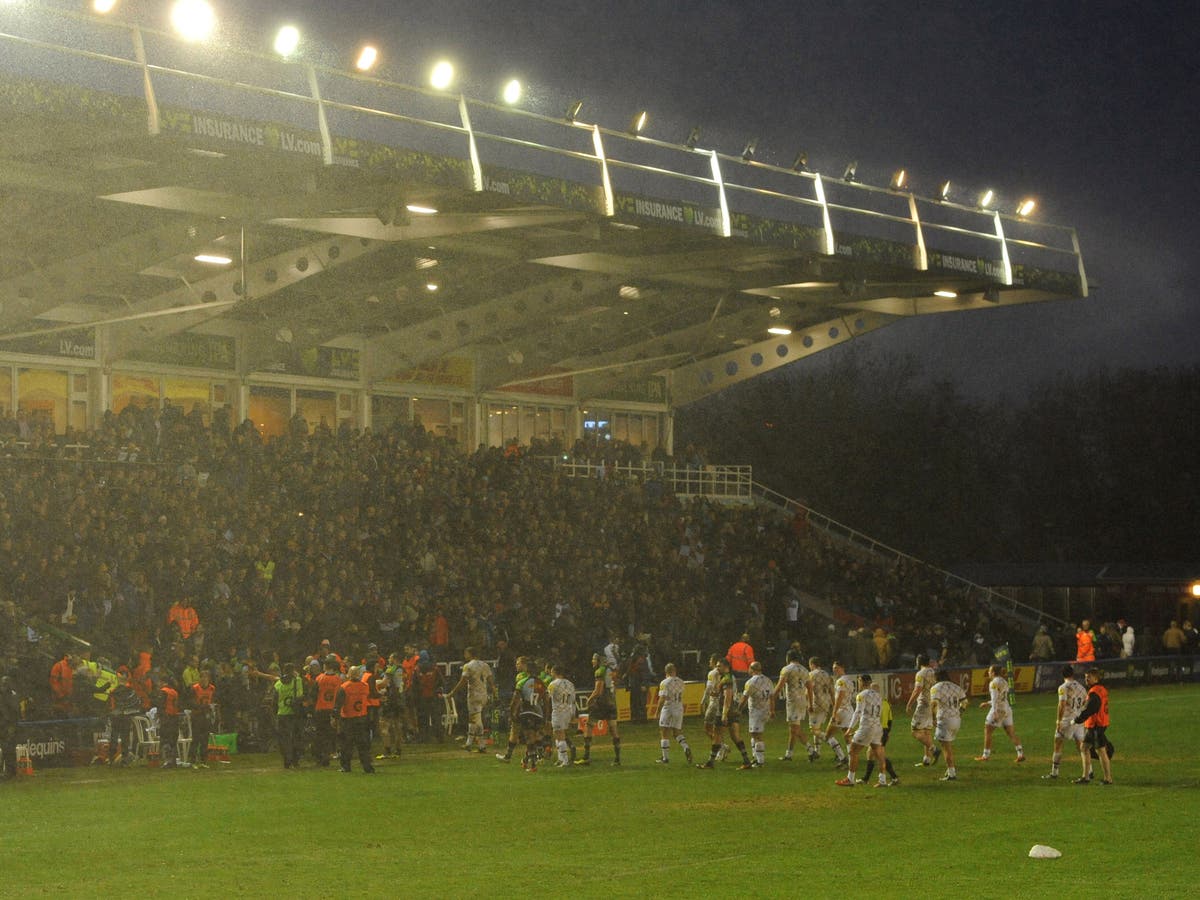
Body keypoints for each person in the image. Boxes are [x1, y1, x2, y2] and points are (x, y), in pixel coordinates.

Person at [698, 657, 751, 769]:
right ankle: (746, 761)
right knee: (735, 736)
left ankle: (710, 762)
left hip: (725, 710)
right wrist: (716, 693)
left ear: (726, 667)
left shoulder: (726, 679)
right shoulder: (727, 677)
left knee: (717, 735)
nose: (717, 668)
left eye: (719, 666)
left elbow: (728, 696)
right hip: (732, 710)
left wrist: (724, 714)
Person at [836, 674, 887, 787]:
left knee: (853, 751)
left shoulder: (861, 695)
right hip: (877, 726)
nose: (858, 683)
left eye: (859, 681)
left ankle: (850, 779)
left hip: (866, 727)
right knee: (879, 753)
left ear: (862, 682)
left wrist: (849, 729)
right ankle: (882, 780)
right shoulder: (878, 695)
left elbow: (858, 712)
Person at [446, 646, 495, 753]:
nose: (465, 655)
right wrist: (494, 691)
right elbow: (491, 679)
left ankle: (481, 745)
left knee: (476, 719)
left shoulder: (468, 666)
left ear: (470, 654)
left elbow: (462, 681)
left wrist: (452, 692)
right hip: (483, 694)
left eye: (466, 653)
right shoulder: (485, 665)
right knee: (474, 719)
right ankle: (469, 743)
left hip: (474, 695)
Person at [1043, 665, 1088, 780]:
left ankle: (1054, 772)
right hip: (1079, 719)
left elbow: (1062, 704)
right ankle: (1090, 771)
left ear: (1062, 675)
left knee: (1058, 744)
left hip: (1067, 720)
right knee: (1082, 746)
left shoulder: (1063, 687)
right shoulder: (1082, 688)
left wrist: (1058, 720)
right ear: (1073, 674)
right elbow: (1085, 703)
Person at [576, 652, 621, 766]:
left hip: (601, 703)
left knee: (589, 725)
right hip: (611, 702)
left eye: (594, 659)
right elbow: (615, 686)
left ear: (599, 661)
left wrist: (589, 699)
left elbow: (598, 690)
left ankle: (586, 756)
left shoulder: (599, 671)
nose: (592, 661)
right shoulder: (611, 670)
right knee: (613, 729)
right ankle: (617, 759)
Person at [974, 664, 1025, 763]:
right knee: (1011, 733)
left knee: (987, 730)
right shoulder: (1004, 681)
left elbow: (995, 699)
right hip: (1007, 709)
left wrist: (995, 712)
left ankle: (985, 755)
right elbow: (1001, 697)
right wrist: (987, 703)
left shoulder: (993, 683)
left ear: (993, 672)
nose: (988, 673)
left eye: (989, 671)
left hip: (999, 710)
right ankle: (1020, 754)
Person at [771, 650, 815, 762]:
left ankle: (811, 750)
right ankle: (789, 754)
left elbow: (780, 685)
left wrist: (773, 697)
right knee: (793, 729)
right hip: (802, 700)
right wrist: (810, 703)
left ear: (788, 658)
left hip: (793, 701)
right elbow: (810, 687)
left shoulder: (787, 669)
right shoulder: (805, 670)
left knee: (794, 728)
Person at [1074, 669, 1113, 785]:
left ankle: (1108, 779)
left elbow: (1091, 708)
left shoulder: (1094, 692)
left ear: (1096, 678)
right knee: (1084, 748)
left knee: (1100, 750)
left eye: (1089, 677)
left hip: (1096, 725)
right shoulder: (1101, 690)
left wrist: (1079, 719)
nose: (1086, 679)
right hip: (1098, 724)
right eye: (1086, 677)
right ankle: (1085, 777)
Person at [333, 665, 375, 774]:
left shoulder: (344, 687)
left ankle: (346, 766)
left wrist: (335, 719)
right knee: (363, 745)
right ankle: (367, 767)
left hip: (348, 719)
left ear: (348, 675)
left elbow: (338, 705)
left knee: (346, 745)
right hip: (362, 718)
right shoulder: (365, 686)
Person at [929, 669, 967, 781]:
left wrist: (932, 718)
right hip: (956, 719)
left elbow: (934, 703)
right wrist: (960, 712)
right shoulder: (956, 687)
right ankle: (949, 770)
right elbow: (964, 702)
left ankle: (951, 773)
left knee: (946, 748)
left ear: (936, 677)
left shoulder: (936, 688)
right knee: (947, 745)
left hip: (945, 720)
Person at [651, 663, 692, 765]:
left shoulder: (665, 683)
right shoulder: (681, 682)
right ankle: (686, 747)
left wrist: (657, 712)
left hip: (668, 708)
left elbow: (662, 698)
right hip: (679, 707)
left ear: (666, 672)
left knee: (664, 732)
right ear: (675, 671)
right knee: (677, 732)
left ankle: (665, 758)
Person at [905, 653, 940, 768]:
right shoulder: (933, 671)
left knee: (915, 731)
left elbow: (917, 689)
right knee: (926, 731)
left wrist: (909, 704)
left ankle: (934, 749)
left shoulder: (920, 673)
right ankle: (927, 759)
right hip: (933, 703)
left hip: (924, 704)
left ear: (918, 662)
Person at [737, 661, 773, 768]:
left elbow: (744, 698)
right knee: (753, 734)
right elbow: (772, 696)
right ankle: (755, 757)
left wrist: (738, 710)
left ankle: (760, 761)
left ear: (752, 669)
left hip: (756, 711)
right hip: (765, 710)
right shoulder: (768, 680)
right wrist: (772, 710)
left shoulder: (751, 682)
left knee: (757, 735)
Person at [697, 653, 729, 766]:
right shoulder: (724, 674)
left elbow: (708, 689)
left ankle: (721, 747)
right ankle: (721, 747)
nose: (709, 662)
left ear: (715, 662)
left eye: (710, 660)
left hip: (714, 703)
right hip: (720, 703)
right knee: (717, 729)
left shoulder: (712, 673)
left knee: (707, 727)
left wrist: (702, 702)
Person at [822, 661, 854, 766]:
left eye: (836, 668)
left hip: (841, 711)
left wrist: (834, 713)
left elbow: (840, 697)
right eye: (833, 668)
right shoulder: (848, 680)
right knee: (847, 737)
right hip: (849, 710)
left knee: (827, 735)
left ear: (842, 667)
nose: (834, 670)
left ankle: (842, 757)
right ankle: (851, 761)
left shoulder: (840, 681)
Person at [547, 664, 577, 767]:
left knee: (559, 735)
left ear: (555, 672)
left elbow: (548, 698)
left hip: (558, 711)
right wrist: (573, 714)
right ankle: (560, 758)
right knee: (559, 734)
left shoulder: (552, 684)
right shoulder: (570, 684)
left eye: (551, 672)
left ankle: (565, 760)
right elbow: (573, 700)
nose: (550, 673)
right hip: (567, 711)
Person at [807, 657, 835, 763]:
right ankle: (817, 752)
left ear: (812, 664)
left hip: (816, 704)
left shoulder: (811, 675)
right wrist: (834, 705)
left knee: (814, 730)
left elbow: (808, 690)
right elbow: (832, 691)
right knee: (817, 728)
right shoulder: (827, 675)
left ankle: (835, 745)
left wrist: (809, 704)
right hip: (826, 704)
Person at [189, 668, 217, 768]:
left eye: (206, 677)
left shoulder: (212, 689)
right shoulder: (195, 688)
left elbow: (213, 700)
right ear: (200, 678)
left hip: (207, 716)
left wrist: (212, 709)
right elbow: (191, 702)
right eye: (203, 677)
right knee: (196, 738)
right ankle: (192, 760)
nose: (204, 679)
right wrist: (201, 707)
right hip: (197, 715)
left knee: (205, 739)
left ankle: (203, 760)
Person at [1, 675, 21, 780]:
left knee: (8, 749)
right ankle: (10, 771)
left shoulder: (10, 696)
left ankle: (10, 771)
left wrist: (11, 725)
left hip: (8, 725)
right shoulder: (11, 695)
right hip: (7, 725)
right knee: (7, 749)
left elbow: (12, 712)